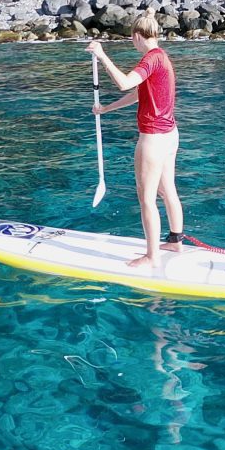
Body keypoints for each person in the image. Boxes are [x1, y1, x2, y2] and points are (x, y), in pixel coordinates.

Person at [86, 13, 184, 269]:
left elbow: (124, 83)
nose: (132, 42)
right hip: (170, 135)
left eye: (132, 38)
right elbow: (138, 93)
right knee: (167, 190)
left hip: (153, 139)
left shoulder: (150, 59)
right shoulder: (163, 58)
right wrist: (107, 109)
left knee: (147, 198)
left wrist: (102, 56)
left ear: (138, 36)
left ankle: (152, 257)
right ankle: (175, 241)